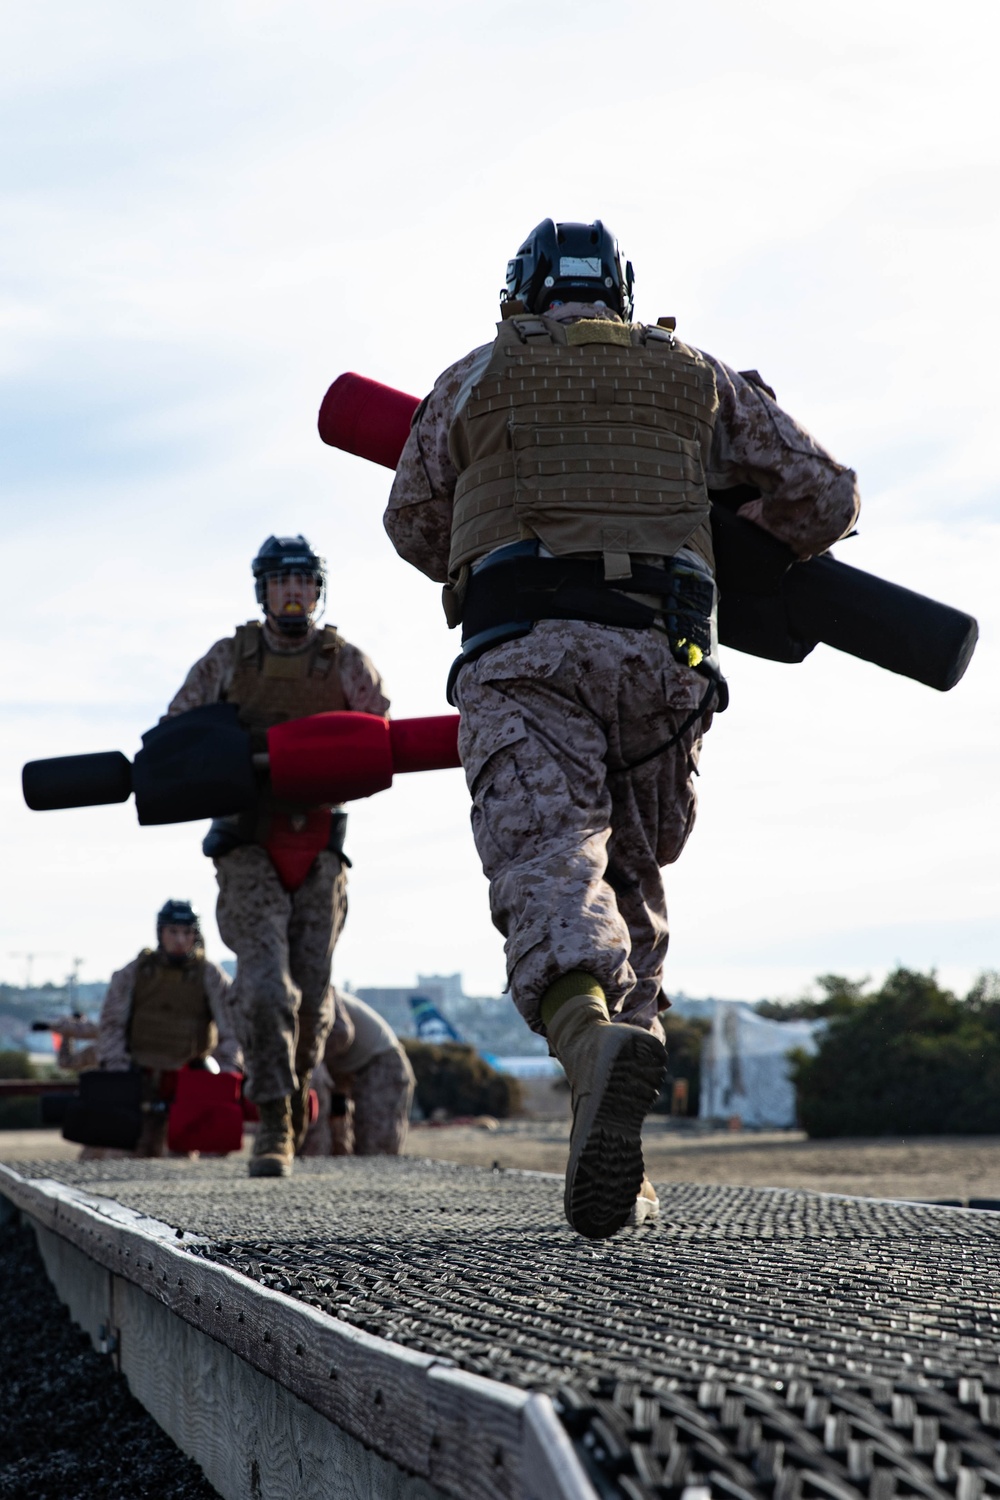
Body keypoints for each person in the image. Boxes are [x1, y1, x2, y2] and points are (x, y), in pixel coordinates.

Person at [383, 219, 860, 1239]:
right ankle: (619, 1152)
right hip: (666, 659)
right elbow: (826, 498)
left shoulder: (472, 377)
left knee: (551, 860)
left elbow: (415, 527)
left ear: (519, 294)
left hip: (527, 653)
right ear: (623, 293)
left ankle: (590, 1043)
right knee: (633, 879)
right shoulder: (700, 376)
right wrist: (720, 520)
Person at [164, 535, 390, 1177]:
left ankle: (292, 1095)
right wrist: (236, 758)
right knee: (265, 987)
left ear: (318, 591)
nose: (293, 591)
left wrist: (323, 765)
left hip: (319, 845)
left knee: (313, 997)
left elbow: (381, 742)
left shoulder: (346, 662)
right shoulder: (228, 660)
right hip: (248, 844)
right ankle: (274, 1122)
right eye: (280, 580)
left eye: (304, 581)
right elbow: (178, 731)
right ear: (261, 590)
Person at [96, 899, 241, 1156]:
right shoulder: (136, 972)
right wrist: (117, 1069)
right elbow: (111, 1025)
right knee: (123, 1153)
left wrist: (226, 1073)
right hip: (139, 1072)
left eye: (187, 933)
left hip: (189, 1076)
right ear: (160, 933)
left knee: (182, 1157)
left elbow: (232, 1028)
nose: (180, 940)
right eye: (173, 931)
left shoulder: (209, 975)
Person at [302, 989, 415, 1157]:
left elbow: (342, 1033)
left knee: (376, 1153)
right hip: (341, 1073)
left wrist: (310, 1059)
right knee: (337, 1148)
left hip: (379, 1062)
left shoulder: (316, 988)